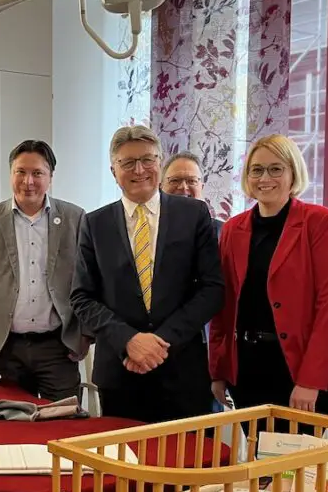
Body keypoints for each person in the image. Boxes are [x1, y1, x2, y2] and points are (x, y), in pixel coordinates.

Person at [71, 125, 224, 423]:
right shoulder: (94, 223)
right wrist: (129, 340)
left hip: (183, 372)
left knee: (190, 464)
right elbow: (81, 297)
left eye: (147, 159)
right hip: (121, 372)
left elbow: (211, 289)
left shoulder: (194, 215)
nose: (139, 169)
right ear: (114, 170)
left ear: (159, 162)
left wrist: (159, 343)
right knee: (126, 466)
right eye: (127, 163)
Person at [209, 134, 328, 433]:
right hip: (248, 369)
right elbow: (224, 307)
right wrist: (218, 369)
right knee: (261, 466)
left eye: (276, 169)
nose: (265, 178)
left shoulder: (321, 223)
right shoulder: (234, 228)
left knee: (294, 469)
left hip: (304, 368)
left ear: (293, 173)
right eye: (256, 170)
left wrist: (310, 380)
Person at [0, 139, 88, 400]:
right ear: (11, 173)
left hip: (57, 347)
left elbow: (90, 279)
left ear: (50, 177)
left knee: (64, 425)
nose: (28, 181)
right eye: (21, 172)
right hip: (7, 346)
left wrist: (86, 334)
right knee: (10, 425)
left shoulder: (75, 218)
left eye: (37, 173)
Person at [160, 151, 223, 238]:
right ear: (161, 186)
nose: (183, 187)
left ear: (202, 187)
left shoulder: (222, 232)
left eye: (191, 181)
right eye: (174, 180)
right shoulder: (149, 229)